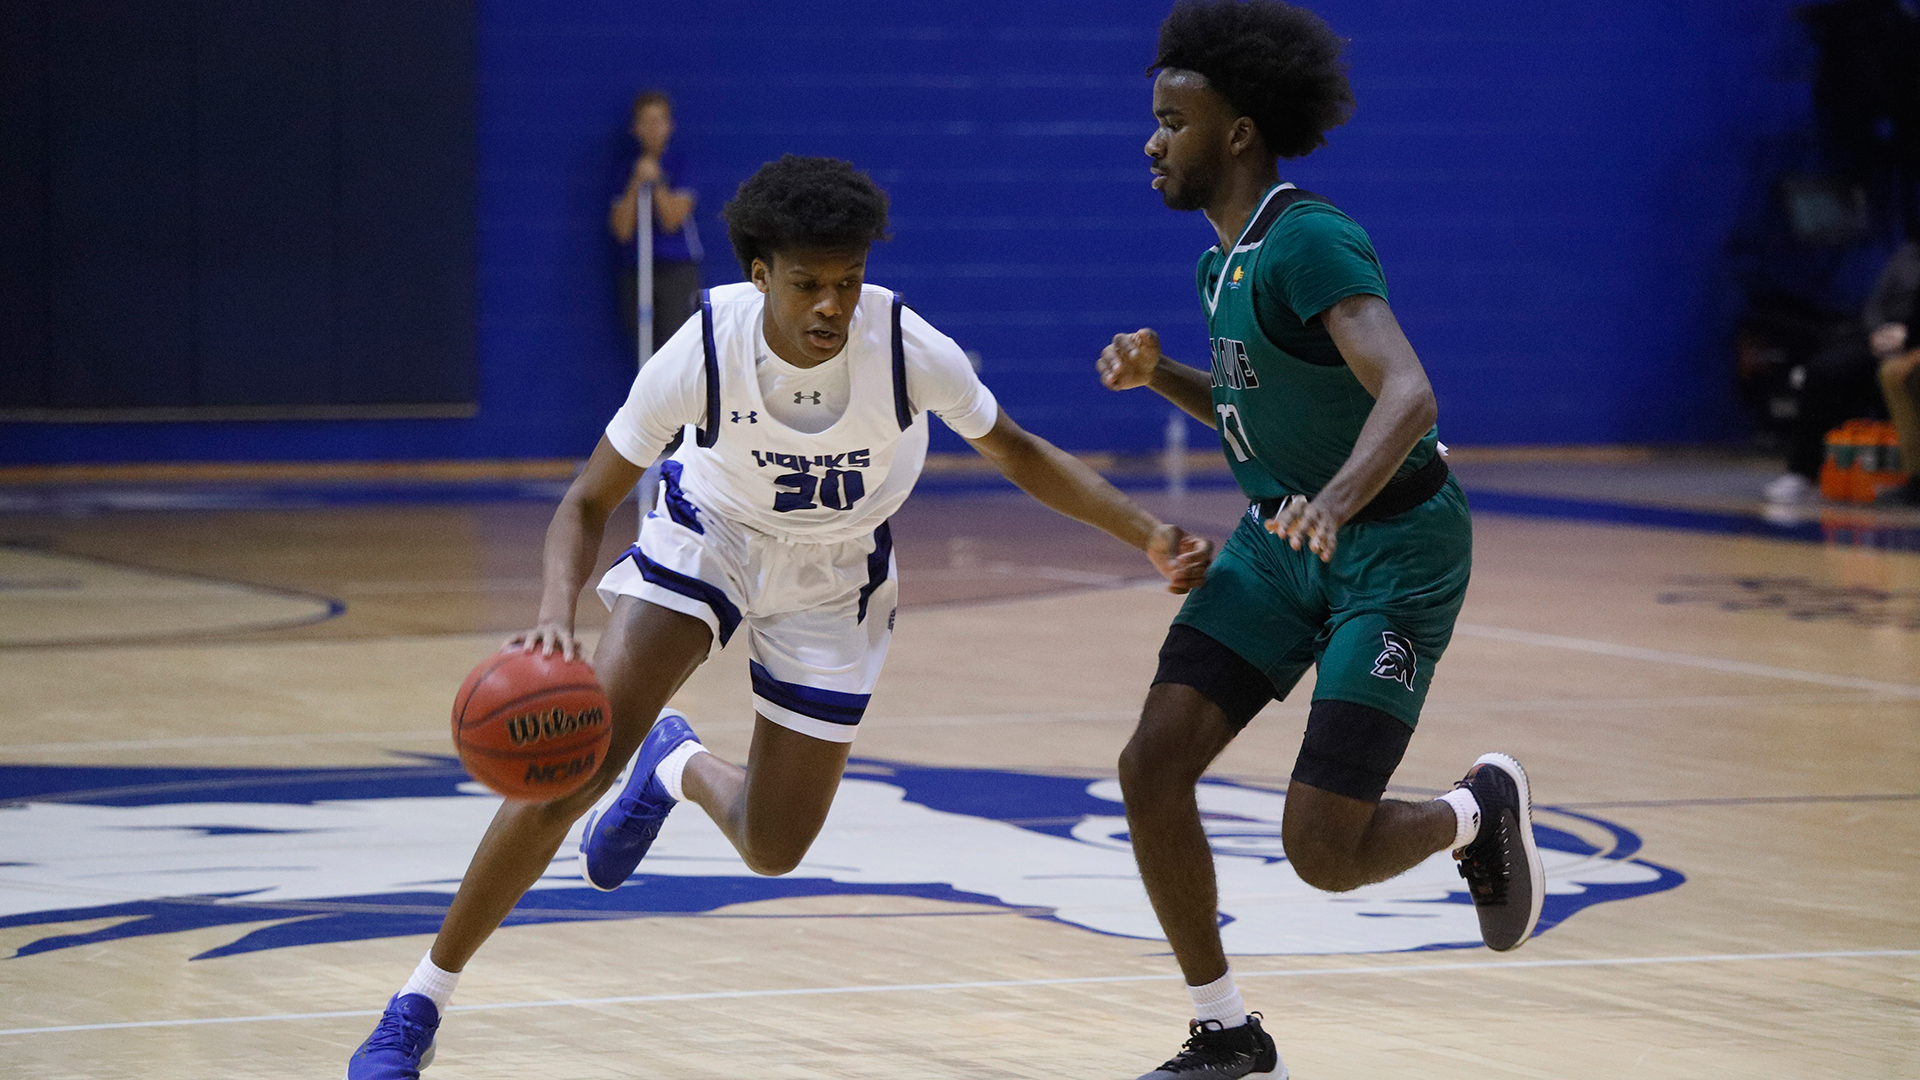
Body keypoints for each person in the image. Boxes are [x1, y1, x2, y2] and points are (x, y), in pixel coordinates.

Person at [343, 154, 1214, 1079]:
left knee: (773, 845)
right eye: (808, 285)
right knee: (570, 773)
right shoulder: (702, 352)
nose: (832, 305)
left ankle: (674, 766)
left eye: (849, 281)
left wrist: (1147, 532)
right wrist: (555, 617)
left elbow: (1020, 452)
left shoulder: (909, 348)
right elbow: (586, 502)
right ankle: (417, 1003)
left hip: (838, 574)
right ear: (760, 275)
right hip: (710, 536)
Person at [1094, 4, 1543, 1077]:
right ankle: (1225, 1031)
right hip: (1282, 539)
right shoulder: (1224, 266)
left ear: (1237, 132)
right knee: (1152, 766)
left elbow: (1408, 392)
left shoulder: (1307, 238)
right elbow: (1270, 411)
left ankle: (1473, 813)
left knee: (1322, 853)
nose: (1151, 140)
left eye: (1172, 120)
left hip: (1393, 547)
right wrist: (1164, 377)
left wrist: (1336, 502)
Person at [610, 89, 702, 357]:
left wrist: (656, 180)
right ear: (635, 128)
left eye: (659, 121)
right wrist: (637, 182)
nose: (653, 129)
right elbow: (621, 230)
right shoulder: (624, 171)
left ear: (670, 126)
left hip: (676, 269)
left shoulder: (680, 165)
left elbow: (673, 220)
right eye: (646, 122)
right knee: (642, 348)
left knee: (677, 348)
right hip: (635, 268)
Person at [1869, 240, 1920, 505]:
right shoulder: (1906, 255)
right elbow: (1876, 303)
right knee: (1893, 373)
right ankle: (1916, 480)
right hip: (1901, 341)